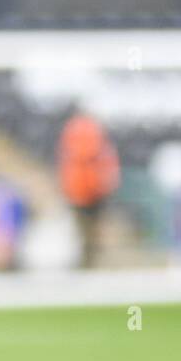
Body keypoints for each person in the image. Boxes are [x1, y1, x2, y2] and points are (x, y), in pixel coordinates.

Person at [57, 111, 120, 270]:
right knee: (89, 234)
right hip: (89, 191)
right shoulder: (95, 139)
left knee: (86, 234)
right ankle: (90, 263)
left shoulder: (74, 135)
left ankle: (89, 263)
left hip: (82, 192)